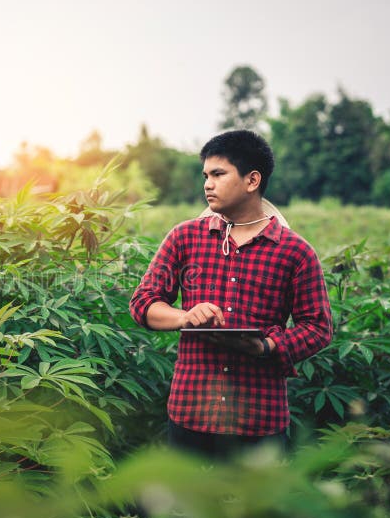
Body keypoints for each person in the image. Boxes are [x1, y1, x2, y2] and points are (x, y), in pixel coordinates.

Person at [129, 129, 332, 458]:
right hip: (191, 410)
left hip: (258, 417)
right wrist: (185, 316)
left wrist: (266, 346)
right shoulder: (184, 237)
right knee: (185, 508)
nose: (207, 184)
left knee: (254, 511)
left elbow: (318, 327)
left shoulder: (296, 252)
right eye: (205, 175)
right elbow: (142, 303)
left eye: (218, 174)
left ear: (252, 181)